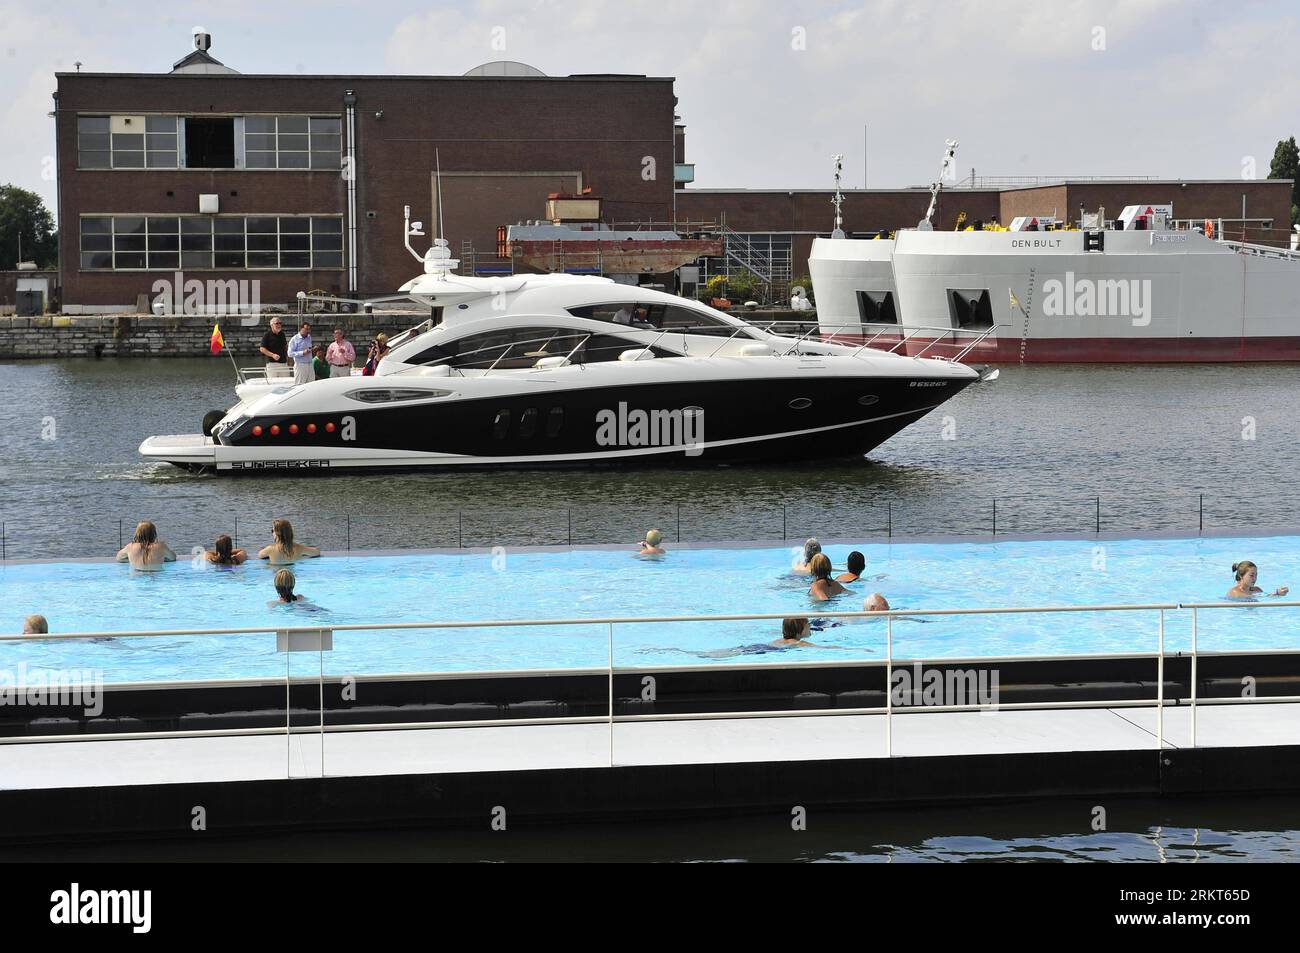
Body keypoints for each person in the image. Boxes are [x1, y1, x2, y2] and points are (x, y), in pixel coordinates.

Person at [288, 321, 313, 385]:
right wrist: (302, 353)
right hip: (300, 365)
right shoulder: (294, 339)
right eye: (306, 329)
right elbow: (290, 353)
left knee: (311, 384)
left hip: (310, 364)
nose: (308, 331)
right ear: (301, 329)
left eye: (309, 329)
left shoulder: (309, 337)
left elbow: (308, 348)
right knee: (300, 384)